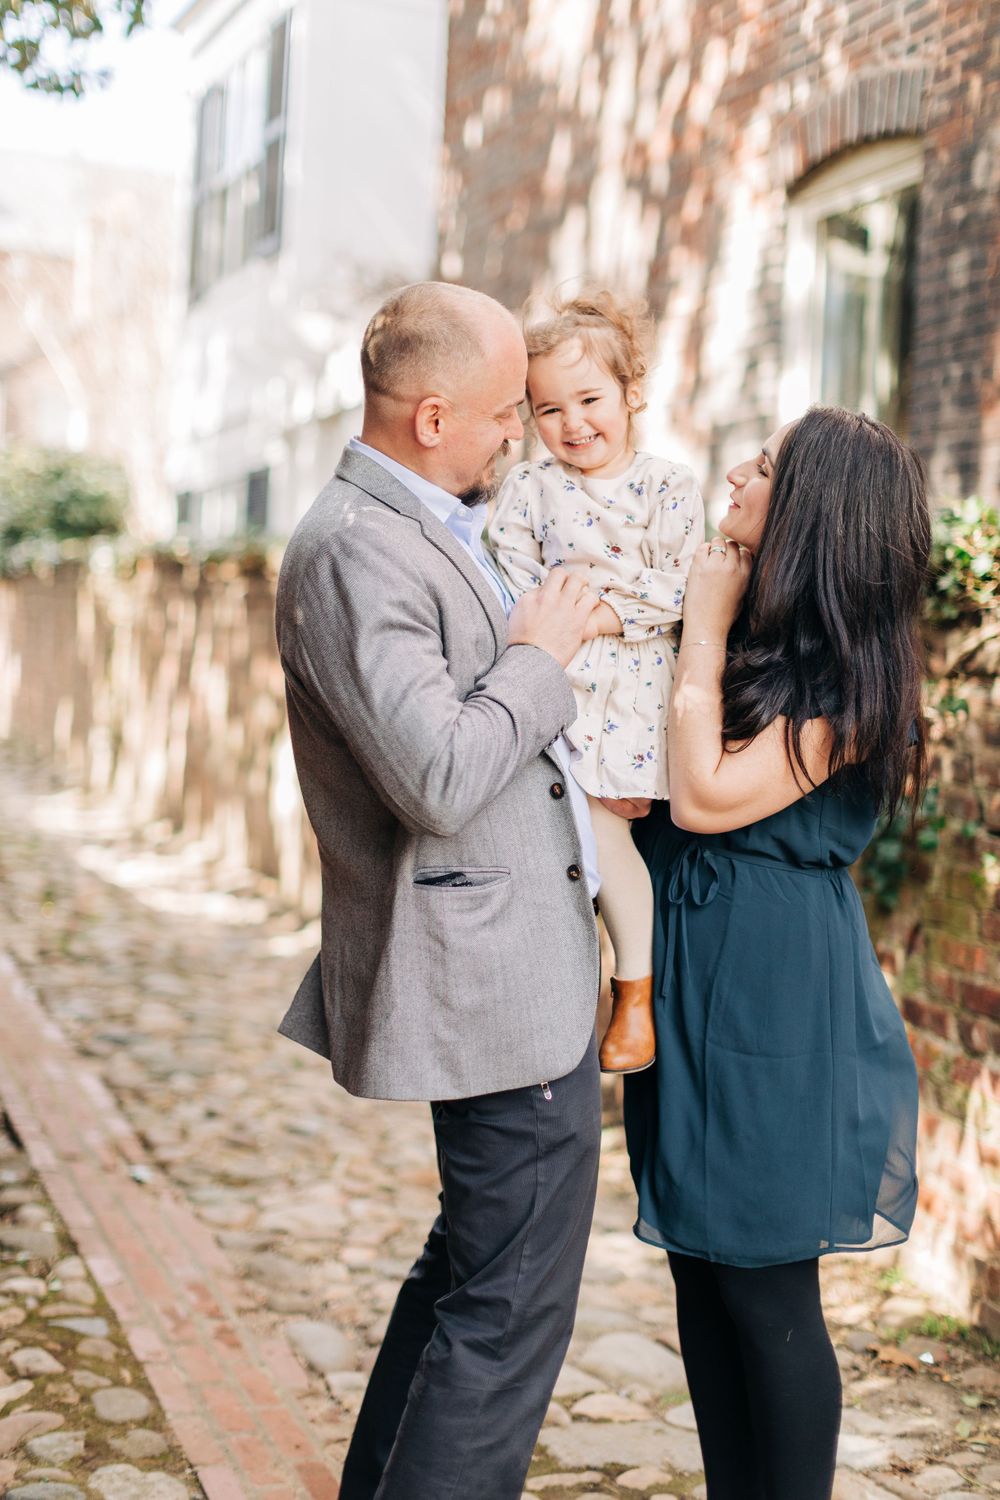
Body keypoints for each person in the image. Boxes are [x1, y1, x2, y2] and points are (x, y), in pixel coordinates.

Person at [274, 281, 605, 1500]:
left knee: (469, 1281)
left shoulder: (426, 523)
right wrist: (539, 656)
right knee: (506, 1317)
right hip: (490, 989)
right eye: (506, 410)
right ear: (429, 417)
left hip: (518, 974)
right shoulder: (355, 548)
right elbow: (439, 776)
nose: (519, 431)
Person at [622, 406, 928, 1500]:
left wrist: (702, 630)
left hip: (771, 991)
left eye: (761, 470)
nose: (736, 481)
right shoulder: (753, 636)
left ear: (810, 514)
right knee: (700, 1274)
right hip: (687, 968)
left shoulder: (851, 688)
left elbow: (706, 798)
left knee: (764, 1288)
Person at [489, 290, 704, 1074]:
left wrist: (598, 612)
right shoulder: (528, 490)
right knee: (551, 840)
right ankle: (563, 996)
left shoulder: (668, 486)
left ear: (631, 393)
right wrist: (562, 623)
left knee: (608, 839)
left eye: (589, 400)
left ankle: (633, 995)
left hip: (634, 702)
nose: (573, 423)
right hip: (554, 689)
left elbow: (681, 586)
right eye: (549, 409)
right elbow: (511, 592)